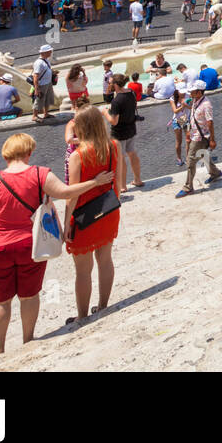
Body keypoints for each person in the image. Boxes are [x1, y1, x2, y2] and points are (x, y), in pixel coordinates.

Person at [0, 132, 114, 357]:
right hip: (30, 246)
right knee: (29, 295)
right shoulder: (40, 174)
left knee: (0, 301)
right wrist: (95, 182)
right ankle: (28, 340)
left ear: (6, 156)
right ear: (29, 152)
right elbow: (65, 192)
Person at [63, 106, 127, 326]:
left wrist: (65, 225)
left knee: (83, 270)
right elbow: (117, 183)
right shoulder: (114, 146)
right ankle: (103, 305)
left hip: (82, 217)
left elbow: (72, 195)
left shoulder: (77, 156)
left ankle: (82, 316)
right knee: (105, 260)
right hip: (108, 210)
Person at [176, 80, 222, 197]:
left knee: (190, 160)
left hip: (201, 137)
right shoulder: (196, 101)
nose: (190, 93)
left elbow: (210, 123)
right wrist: (188, 131)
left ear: (199, 92)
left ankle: (188, 187)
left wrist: (212, 140)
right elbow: (193, 117)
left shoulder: (206, 105)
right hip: (195, 134)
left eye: (192, 91)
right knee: (204, 156)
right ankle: (215, 173)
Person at [107, 73, 144, 189]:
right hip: (131, 128)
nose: (110, 84)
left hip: (119, 133)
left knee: (121, 158)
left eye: (111, 82)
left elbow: (114, 121)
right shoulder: (131, 92)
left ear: (116, 85)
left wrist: (105, 113)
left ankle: (122, 186)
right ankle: (138, 180)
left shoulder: (116, 101)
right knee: (132, 153)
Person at [29, 44, 56, 123]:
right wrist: (37, 88)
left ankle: (46, 113)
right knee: (39, 100)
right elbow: (35, 76)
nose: (51, 52)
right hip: (42, 84)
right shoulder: (39, 63)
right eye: (49, 51)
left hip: (47, 83)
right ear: (45, 52)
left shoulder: (46, 60)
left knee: (47, 98)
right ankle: (34, 116)